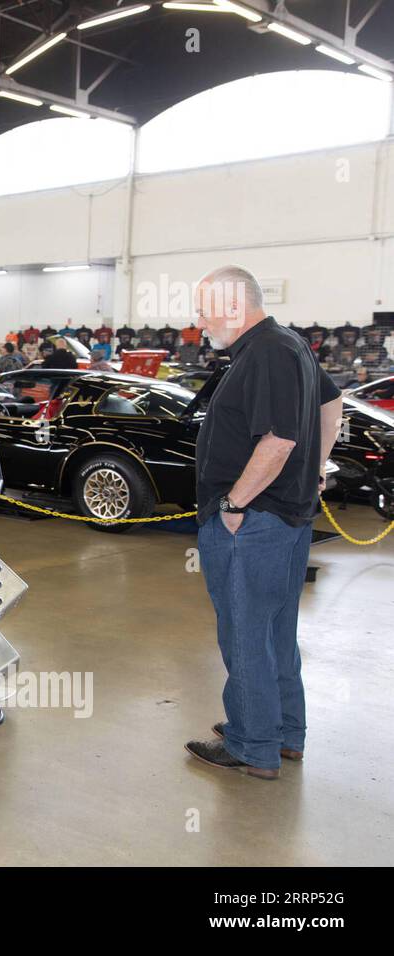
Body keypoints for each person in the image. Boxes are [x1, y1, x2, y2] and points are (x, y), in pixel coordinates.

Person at [185, 266, 343, 781]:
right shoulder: (285, 344)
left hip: (254, 521)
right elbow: (331, 401)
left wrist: (233, 505)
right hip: (285, 517)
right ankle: (283, 733)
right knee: (275, 629)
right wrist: (316, 470)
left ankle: (253, 744)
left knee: (244, 631)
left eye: (205, 306)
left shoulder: (267, 352)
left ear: (233, 305)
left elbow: (277, 440)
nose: (199, 319)